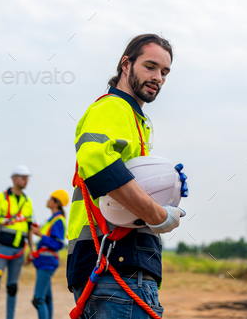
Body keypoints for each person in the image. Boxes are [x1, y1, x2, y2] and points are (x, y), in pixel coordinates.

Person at [67, 34, 188, 318]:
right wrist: (158, 215)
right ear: (126, 64)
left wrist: (169, 186)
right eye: (150, 66)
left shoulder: (134, 120)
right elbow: (99, 167)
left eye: (165, 72)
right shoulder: (113, 108)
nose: (158, 77)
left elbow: (122, 181)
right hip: (114, 265)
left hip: (116, 267)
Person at [0, 164, 34, 319]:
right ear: (14, 179)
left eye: (27, 179)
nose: (26, 181)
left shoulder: (27, 201)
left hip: (18, 251)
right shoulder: (0, 198)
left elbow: (29, 228)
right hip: (0, 250)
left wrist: (31, 250)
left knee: (12, 287)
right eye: (23, 178)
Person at [29, 189, 69, 319]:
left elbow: (58, 244)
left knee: (38, 299)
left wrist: (40, 235)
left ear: (56, 203)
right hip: (44, 262)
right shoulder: (52, 220)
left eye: (51, 198)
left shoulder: (58, 220)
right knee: (46, 298)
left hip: (47, 263)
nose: (48, 200)